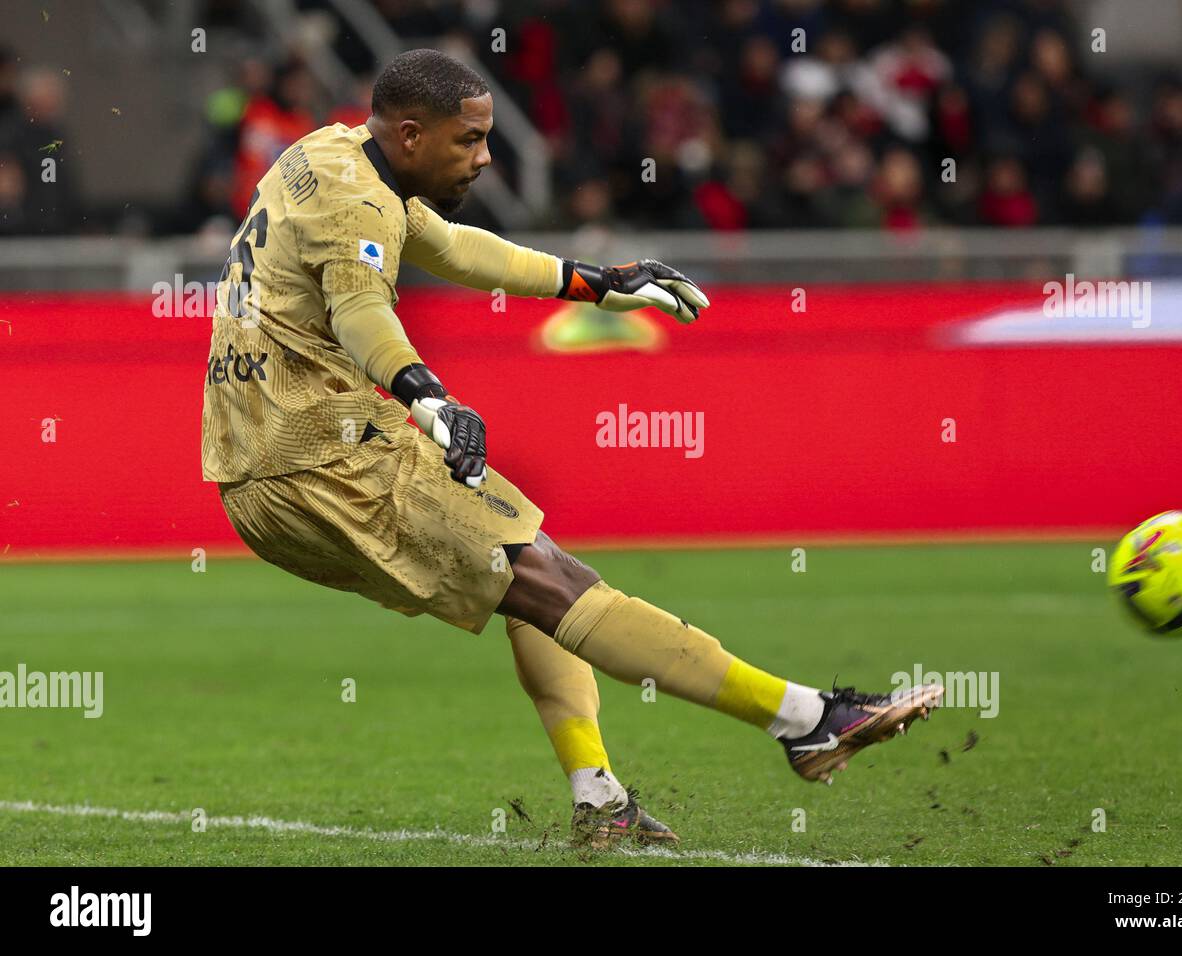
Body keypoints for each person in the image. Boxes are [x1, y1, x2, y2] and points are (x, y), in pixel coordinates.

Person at [202, 49, 941, 848]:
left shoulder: (328, 157)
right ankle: (806, 720)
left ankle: (602, 798)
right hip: (329, 456)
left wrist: (594, 281)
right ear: (411, 134)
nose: (486, 156)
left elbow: (454, 249)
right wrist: (426, 395)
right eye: (470, 140)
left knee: (529, 569)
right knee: (556, 582)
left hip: (254, 469)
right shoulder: (357, 207)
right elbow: (359, 312)